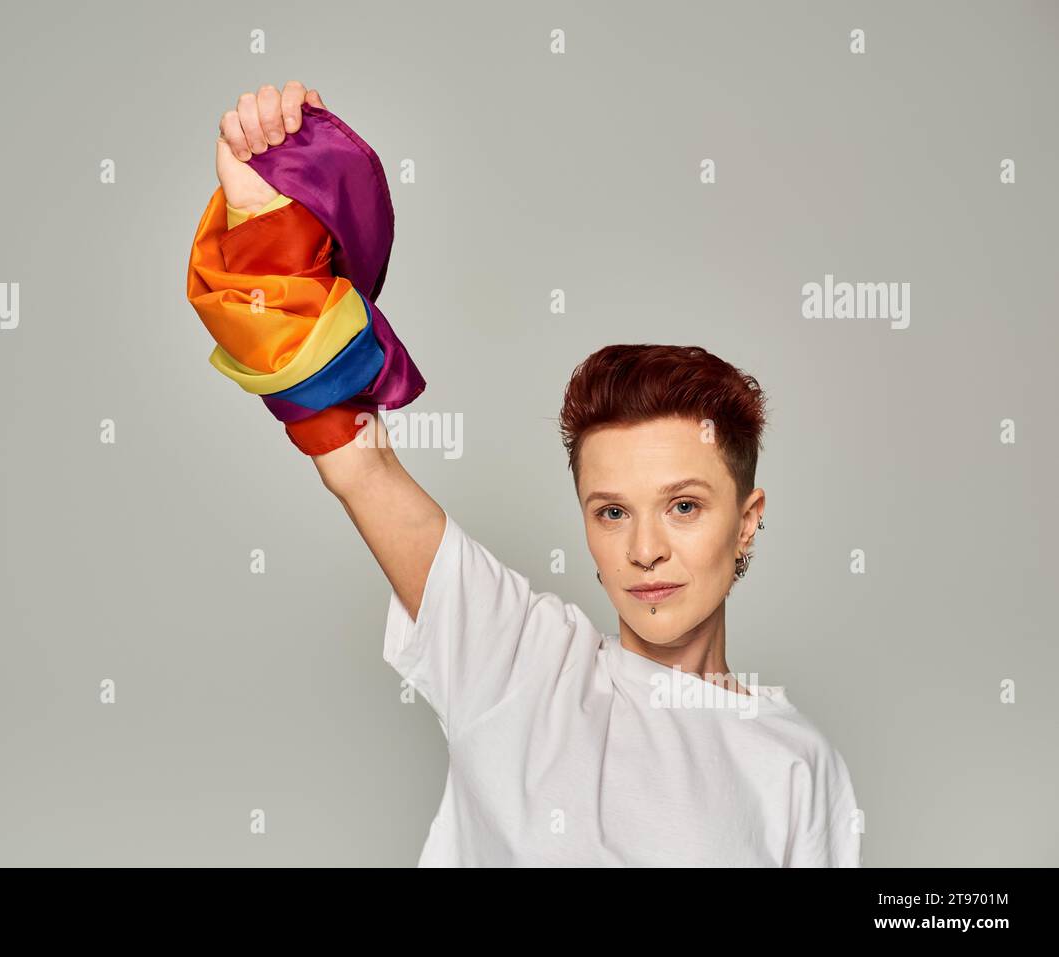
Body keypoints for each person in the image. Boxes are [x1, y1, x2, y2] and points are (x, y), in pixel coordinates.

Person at [194, 81, 863, 867]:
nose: (645, 548)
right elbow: (354, 462)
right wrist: (261, 211)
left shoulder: (797, 765)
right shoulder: (516, 662)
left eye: (683, 505)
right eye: (612, 511)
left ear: (747, 519)